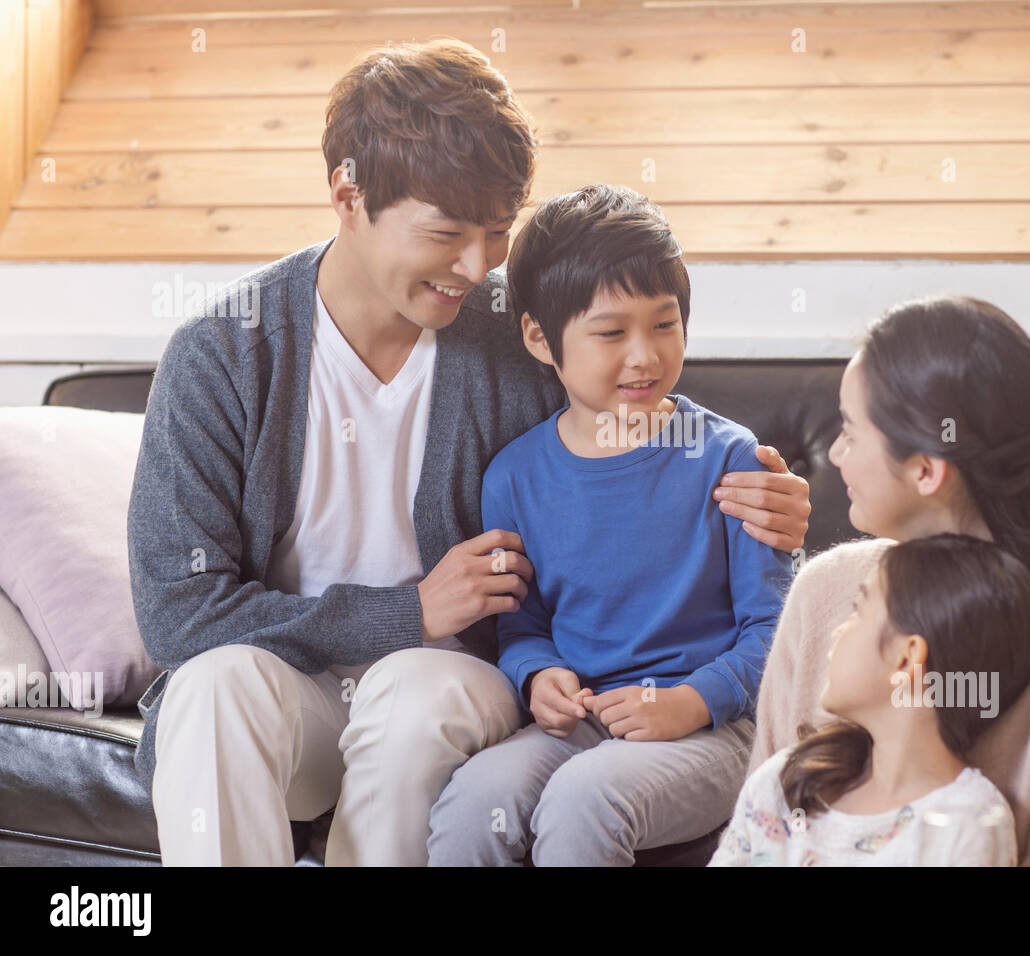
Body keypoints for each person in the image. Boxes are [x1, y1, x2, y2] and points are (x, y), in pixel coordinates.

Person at [126, 39, 810, 867]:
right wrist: (407, 611)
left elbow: (634, 412)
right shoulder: (225, 354)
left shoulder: (509, 334)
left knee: (416, 694)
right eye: (448, 234)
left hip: (454, 691)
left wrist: (756, 492)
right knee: (210, 687)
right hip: (290, 702)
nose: (477, 267)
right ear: (349, 193)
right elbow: (179, 615)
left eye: (496, 233)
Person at [424, 184, 794, 866]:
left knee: (583, 802)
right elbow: (523, 625)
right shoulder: (514, 475)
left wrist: (688, 702)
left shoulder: (730, 459)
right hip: (584, 724)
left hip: (714, 729)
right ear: (540, 337)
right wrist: (537, 678)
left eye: (664, 323)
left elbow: (776, 633)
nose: (645, 356)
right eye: (611, 332)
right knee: (474, 802)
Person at [748, 293, 1030, 866]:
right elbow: (762, 828)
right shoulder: (824, 590)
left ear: (925, 469)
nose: (835, 452)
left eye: (851, 431)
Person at [710, 534, 1030, 866]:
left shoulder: (968, 826)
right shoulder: (785, 780)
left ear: (906, 657)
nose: (838, 631)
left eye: (857, 611)